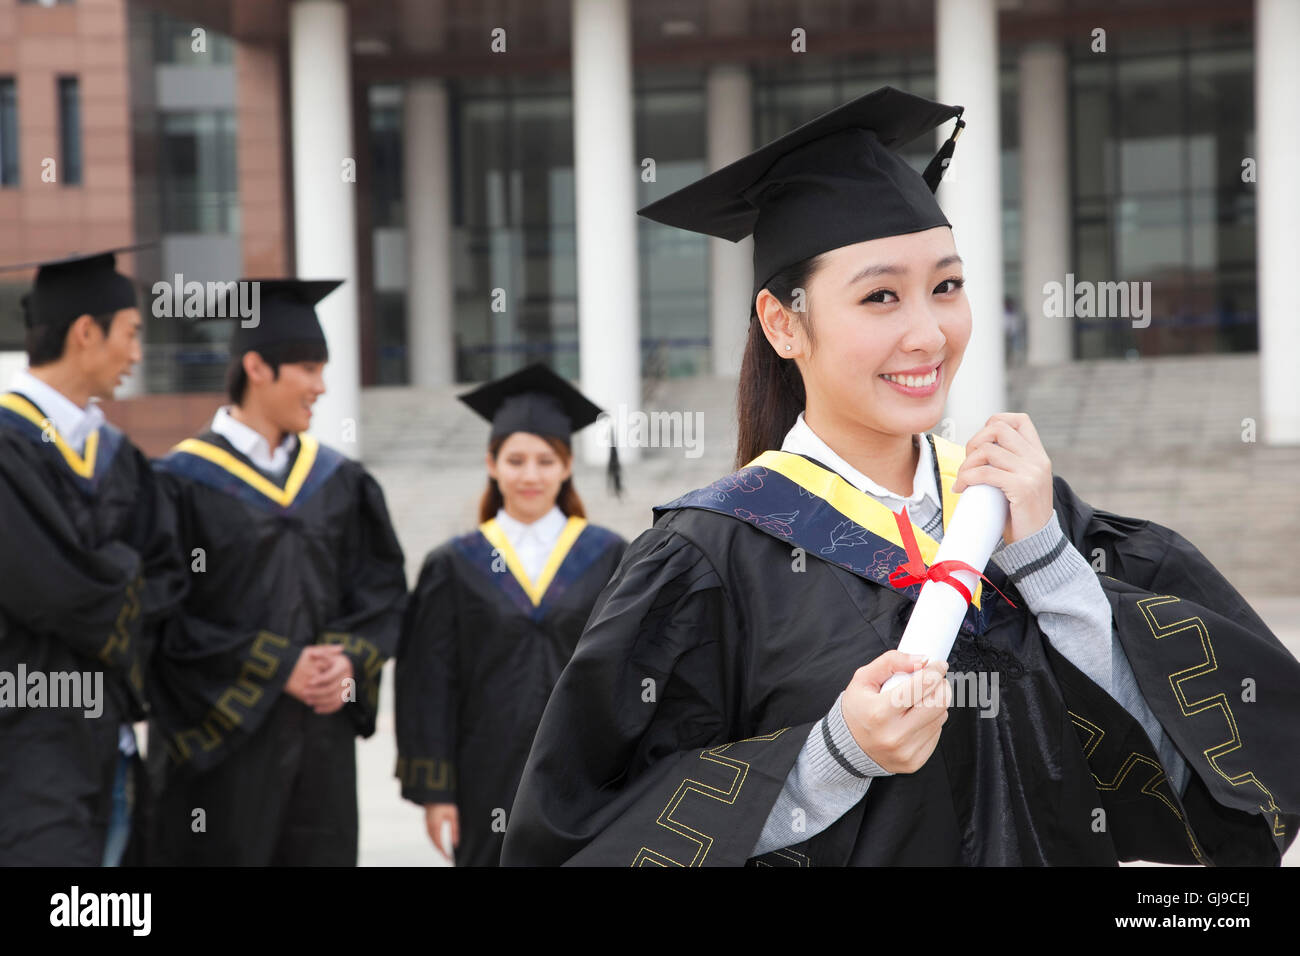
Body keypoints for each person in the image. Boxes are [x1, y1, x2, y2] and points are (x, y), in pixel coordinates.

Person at [501, 87, 1300, 867]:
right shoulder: (713, 559)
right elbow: (582, 833)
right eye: (880, 296)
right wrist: (834, 756)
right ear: (784, 324)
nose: (928, 332)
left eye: (946, 286)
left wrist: (1054, 573)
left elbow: (1221, 792)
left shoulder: (1023, 514)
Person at [145, 279, 407, 866]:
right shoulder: (179, 482)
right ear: (257, 367)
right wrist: (276, 667)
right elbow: (160, 620)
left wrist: (346, 659)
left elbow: (383, 594)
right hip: (218, 754)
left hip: (320, 752)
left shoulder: (340, 482)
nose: (322, 386)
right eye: (309, 369)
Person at [395, 363, 627, 866]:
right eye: (515, 460)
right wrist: (437, 792)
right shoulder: (453, 564)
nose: (530, 475)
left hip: (582, 774)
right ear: (492, 463)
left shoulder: (609, 556)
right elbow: (428, 684)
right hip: (483, 776)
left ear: (566, 467)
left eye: (546, 461)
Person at [0, 247, 186, 866]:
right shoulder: (6, 445)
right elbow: (47, 587)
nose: (137, 355)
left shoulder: (120, 456)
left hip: (108, 739)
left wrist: (104, 567)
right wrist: (121, 569)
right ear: (86, 332)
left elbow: (168, 574)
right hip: (25, 731)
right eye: (131, 335)